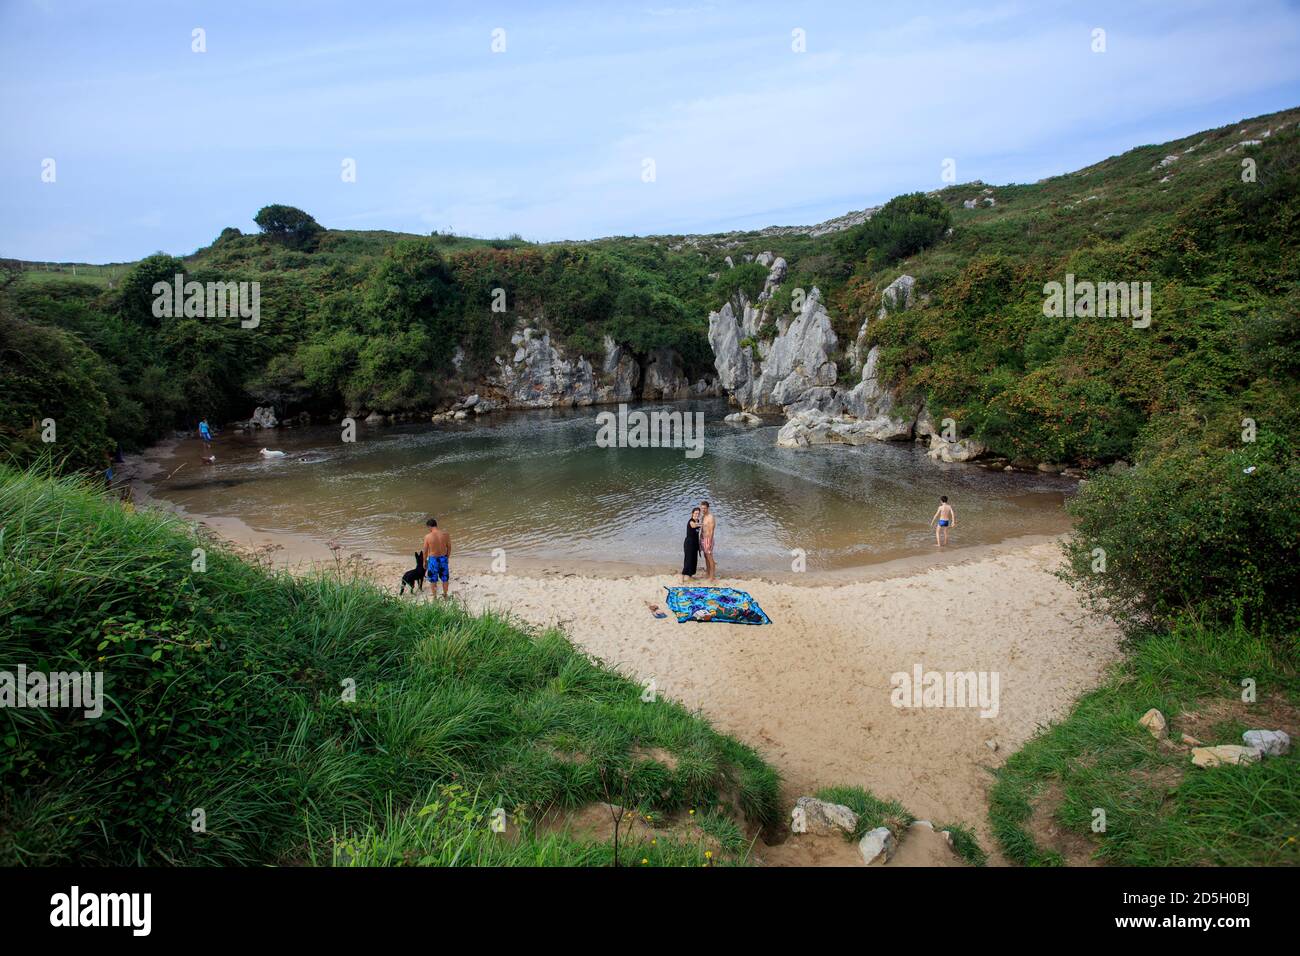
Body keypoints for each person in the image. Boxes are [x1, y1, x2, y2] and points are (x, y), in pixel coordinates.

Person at [422, 517, 452, 599]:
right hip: (443, 558)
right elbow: (449, 547)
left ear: (429, 526)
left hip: (433, 560)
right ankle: (445, 595)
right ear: (436, 525)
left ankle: (435, 597)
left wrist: (424, 561)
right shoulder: (445, 534)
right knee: (445, 578)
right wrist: (447, 557)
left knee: (433, 579)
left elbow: (425, 551)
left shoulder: (428, 536)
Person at [681, 507, 703, 582]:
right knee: (688, 560)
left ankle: (690, 576)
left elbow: (697, 533)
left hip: (695, 543)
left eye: (698, 513)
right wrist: (704, 524)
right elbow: (693, 525)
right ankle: (682, 578)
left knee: (694, 560)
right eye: (695, 513)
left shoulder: (698, 521)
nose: (697, 514)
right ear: (692, 513)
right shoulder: (691, 521)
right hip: (689, 544)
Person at [699, 500, 717, 582]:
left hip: (708, 539)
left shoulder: (710, 517)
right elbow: (702, 529)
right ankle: (708, 572)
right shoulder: (703, 516)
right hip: (702, 539)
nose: (703, 510)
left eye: (705, 508)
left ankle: (712, 576)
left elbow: (711, 531)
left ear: (708, 508)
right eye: (702, 508)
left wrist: (709, 542)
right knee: (706, 556)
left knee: (710, 557)